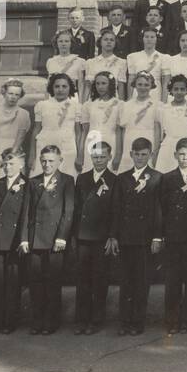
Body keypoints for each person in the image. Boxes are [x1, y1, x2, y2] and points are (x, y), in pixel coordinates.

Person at [20, 145, 76, 336]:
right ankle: (37, 321)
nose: (46, 164)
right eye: (43, 160)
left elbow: (68, 212)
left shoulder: (67, 181)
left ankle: (51, 321)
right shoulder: (33, 182)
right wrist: (24, 239)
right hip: (35, 238)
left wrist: (62, 236)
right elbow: (27, 212)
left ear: (60, 161)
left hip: (54, 240)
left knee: (52, 281)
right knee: (35, 282)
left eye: (51, 160)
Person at [108, 138, 162, 336]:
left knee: (141, 282)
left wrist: (157, 237)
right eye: (136, 154)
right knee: (126, 281)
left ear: (150, 155)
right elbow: (116, 209)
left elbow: (158, 210)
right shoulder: (122, 178)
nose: (139, 158)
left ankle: (138, 322)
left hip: (145, 239)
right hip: (125, 237)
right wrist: (113, 235)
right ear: (130, 154)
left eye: (143, 154)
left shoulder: (156, 177)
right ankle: (124, 322)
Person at [157, 138, 187, 335]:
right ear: (175, 155)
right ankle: (172, 320)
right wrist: (160, 236)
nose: (185, 158)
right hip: (173, 237)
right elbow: (161, 209)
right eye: (182, 154)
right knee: (172, 281)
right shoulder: (167, 179)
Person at [72, 141, 115, 335]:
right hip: (83, 236)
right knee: (83, 280)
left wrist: (112, 236)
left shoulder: (114, 180)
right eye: (95, 157)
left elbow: (117, 210)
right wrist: (74, 235)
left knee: (99, 279)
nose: (98, 160)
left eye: (102, 157)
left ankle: (96, 320)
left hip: (101, 237)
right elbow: (76, 208)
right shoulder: (82, 179)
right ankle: (81, 320)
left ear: (109, 157)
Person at [0, 147, 28, 335]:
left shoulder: (28, 186)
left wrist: (23, 239)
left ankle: (9, 322)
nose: (8, 167)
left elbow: (27, 215)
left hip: (15, 242)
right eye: (5, 164)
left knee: (13, 283)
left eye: (12, 164)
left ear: (21, 165)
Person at [32, 74, 84, 176]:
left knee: (66, 178)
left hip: (67, 146)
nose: (60, 90)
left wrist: (79, 155)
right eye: (57, 86)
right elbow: (36, 130)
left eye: (64, 86)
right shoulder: (42, 105)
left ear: (70, 88)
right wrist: (32, 155)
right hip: (45, 143)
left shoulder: (76, 106)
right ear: (52, 88)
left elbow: (78, 133)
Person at [0, 79, 32, 182]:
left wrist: (9, 156)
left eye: (17, 95)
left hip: (13, 148)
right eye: (10, 93)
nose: (13, 97)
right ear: (4, 93)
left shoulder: (23, 114)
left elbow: (20, 136)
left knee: (12, 180)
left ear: (20, 96)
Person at [114, 72, 162, 174]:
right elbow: (121, 130)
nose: (142, 88)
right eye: (139, 84)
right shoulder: (125, 105)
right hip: (129, 142)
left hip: (148, 140)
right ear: (134, 85)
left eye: (146, 85)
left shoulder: (157, 105)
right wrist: (120, 153)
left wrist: (155, 153)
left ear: (151, 86)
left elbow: (158, 130)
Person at [154, 75, 187, 173]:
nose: (179, 92)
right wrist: (156, 151)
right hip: (168, 147)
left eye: (182, 89)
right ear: (171, 90)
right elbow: (158, 130)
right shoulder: (163, 109)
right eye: (176, 89)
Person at [126, 27, 167, 100]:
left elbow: (165, 82)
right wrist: (129, 99)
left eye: (152, 37)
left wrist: (164, 101)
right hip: (137, 91)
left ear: (156, 39)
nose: (149, 39)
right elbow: (131, 79)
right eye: (146, 37)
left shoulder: (163, 57)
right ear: (142, 38)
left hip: (155, 92)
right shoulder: (133, 56)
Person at [85, 32, 128, 98]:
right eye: (106, 39)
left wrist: (121, 105)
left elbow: (120, 87)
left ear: (115, 43)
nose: (109, 42)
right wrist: (84, 105)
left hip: (113, 101)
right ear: (100, 42)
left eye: (111, 40)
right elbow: (88, 86)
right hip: (94, 101)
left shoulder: (121, 62)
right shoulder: (90, 62)